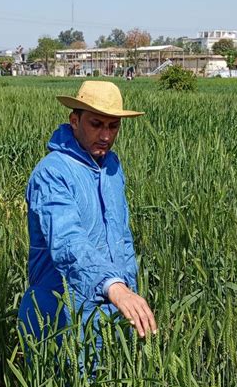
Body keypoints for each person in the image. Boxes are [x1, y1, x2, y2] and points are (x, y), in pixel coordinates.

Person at [18, 80, 156, 353]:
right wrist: (114, 286)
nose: (105, 135)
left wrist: (127, 291)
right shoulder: (52, 173)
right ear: (74, 121)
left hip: (112, 311)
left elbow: (121, 238)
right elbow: (68, 242)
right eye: (96, 124)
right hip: (59, 318)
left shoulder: (112, 167)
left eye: (113, 126)